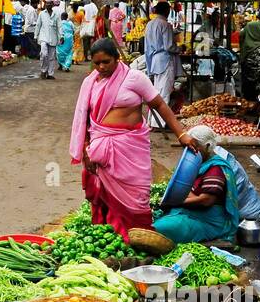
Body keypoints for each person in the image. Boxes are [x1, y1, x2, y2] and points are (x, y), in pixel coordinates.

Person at [70, 38, 195, 238]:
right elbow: (84, 119)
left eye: (106, 62)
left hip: (131, 149)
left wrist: (181, 133)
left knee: (137, 197)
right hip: (101, 150)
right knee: (104, 199)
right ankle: (112, 239)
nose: (101, 67)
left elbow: (160, 105)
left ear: (117, 58)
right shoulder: (90, 83)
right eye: (97, 63)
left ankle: (140, 237)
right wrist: (86, 150)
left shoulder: (134, 78)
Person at [153, 125, 241, 245]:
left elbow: (206, 200)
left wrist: (177, 202)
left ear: (208, 146)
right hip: (192, 212)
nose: (190, 150)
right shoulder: (198, 163)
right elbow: (186, 188)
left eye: (195, 147)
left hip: (208, 221)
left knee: (160, 228)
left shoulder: (216, 168)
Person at [143, 1, 180, 127]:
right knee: (164, 93)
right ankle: (157, 123)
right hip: (165, 61)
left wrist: (149, 68)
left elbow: (147, 49)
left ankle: (151, 121)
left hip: (154, 61)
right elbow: (169, 46)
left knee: (155, 92)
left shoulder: (149, 24)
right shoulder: (165, 25)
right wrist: (179, 49)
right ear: (167, 12)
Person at [35, 0, 61, 79]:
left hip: (53, 38)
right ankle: (43, 70)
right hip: (43, 37)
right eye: (47, 3)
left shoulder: (56, 15)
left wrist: (62, 36)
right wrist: (35, 36)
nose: (48, 4)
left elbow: (59, 26)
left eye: (50, 3)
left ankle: (50, 74)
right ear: (45, 4)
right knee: (44, 54)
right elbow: (38, 25)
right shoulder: (42, 14)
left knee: (51, 57)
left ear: (52, 5)